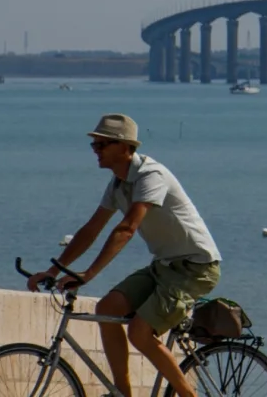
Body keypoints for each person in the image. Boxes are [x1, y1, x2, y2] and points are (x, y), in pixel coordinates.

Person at [27, 114, 221, 397]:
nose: (95, 151)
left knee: (140, 333)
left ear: (124, 147)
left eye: (101, 145)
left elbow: (127, 228)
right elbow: (91, 230)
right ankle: (123, 394)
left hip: (195, 268)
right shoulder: (118, 184)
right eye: (94, 145)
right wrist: (54, 271)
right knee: (107, 309)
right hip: (164, 266)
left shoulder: (150, 176)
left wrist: (88, 275)